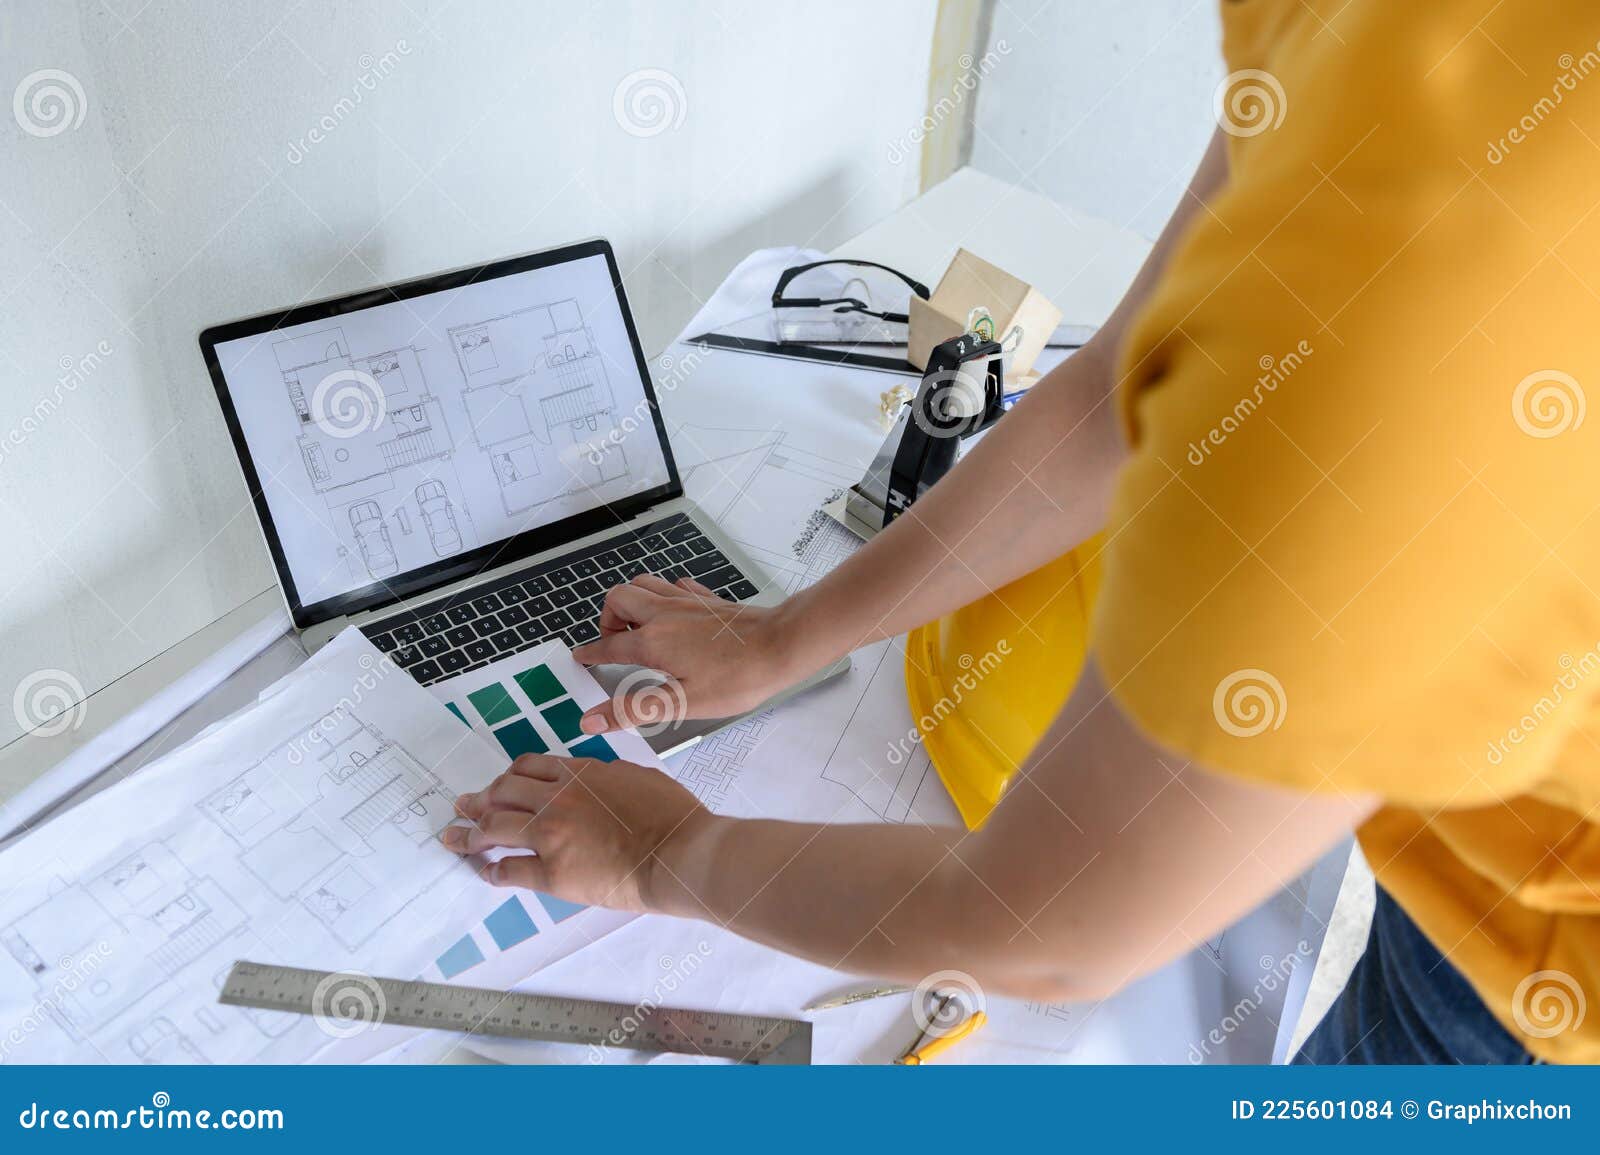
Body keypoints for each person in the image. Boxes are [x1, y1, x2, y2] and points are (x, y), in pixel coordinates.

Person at [442, 1, 1600, 1064]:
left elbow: (1053, 929)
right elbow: (1126, 382)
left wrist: (663, 855)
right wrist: (780, 640)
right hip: (1495, 864)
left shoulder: (1431, 327)